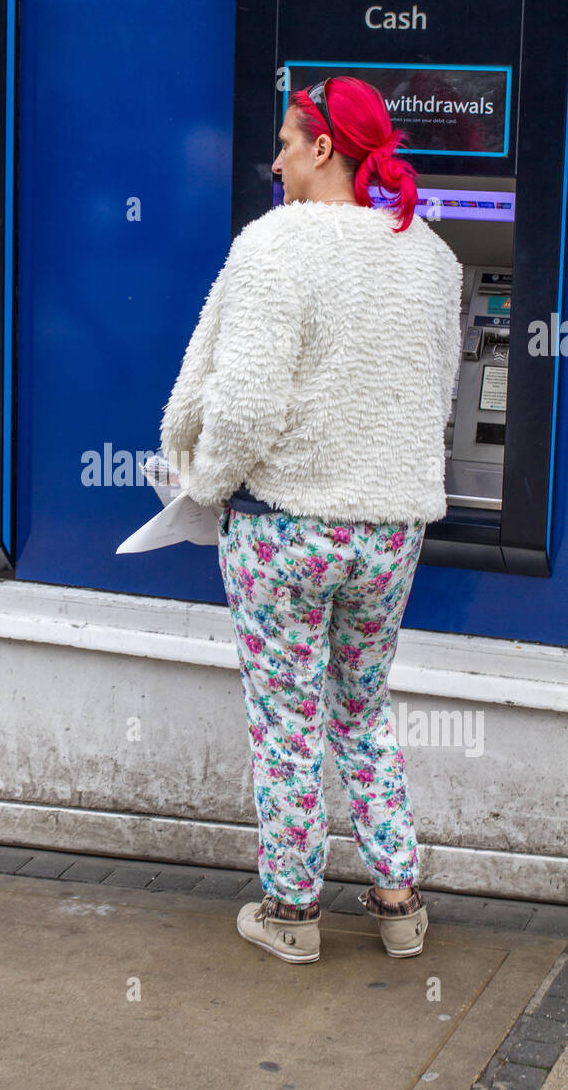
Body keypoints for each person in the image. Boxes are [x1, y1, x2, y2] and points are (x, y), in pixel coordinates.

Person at [158, 75, 463, 964]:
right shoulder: (433, 257)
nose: (277, 158)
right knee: (363, 709)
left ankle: (292, 914)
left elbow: (244, 405)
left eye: (287, 141)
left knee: (286, 722)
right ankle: (400, 900)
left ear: (326, 148)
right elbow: (431, 400)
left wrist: (206, 484)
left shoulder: (275, 248)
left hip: (287, 531)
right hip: (391, 530)